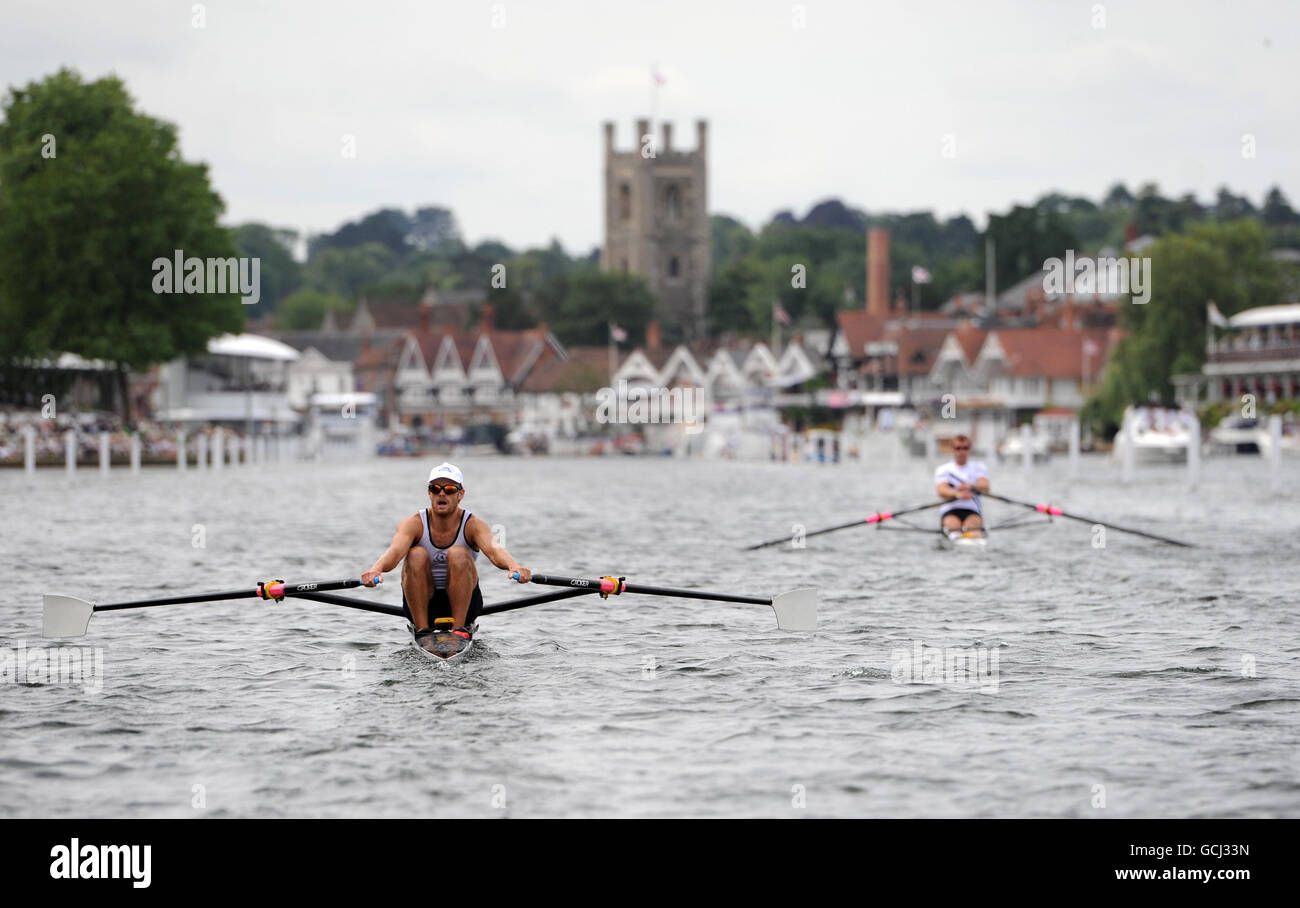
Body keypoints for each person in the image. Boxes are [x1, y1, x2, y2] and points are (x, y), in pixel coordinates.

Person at [361, 463, 531, 649]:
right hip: (422, 602)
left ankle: (459, 630)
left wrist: (514, 566)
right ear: (429, 493)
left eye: (449, 489)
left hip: (465, 605)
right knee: (415, 554)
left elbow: (495, 551)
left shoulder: (473, 524)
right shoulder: (413, 523)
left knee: (458, 553)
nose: (442, 494)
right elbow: (394, 553)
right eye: (436, 488)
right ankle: (422, 630)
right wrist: (375, 570)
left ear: (460, 494)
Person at [934, 435, 990, 540]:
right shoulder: (944, 469)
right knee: (953, 526)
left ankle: (972, 539)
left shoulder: (979, 468)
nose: (961, 451)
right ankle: (957, 538)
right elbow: (941, 490)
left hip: (972, 510)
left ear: (969, 450)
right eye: (958, 448)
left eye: (965, 448)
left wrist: (971, 486)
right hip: (951, 510)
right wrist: (957, 493)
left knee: (973, 525)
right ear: (952, 450)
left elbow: (986, 486)